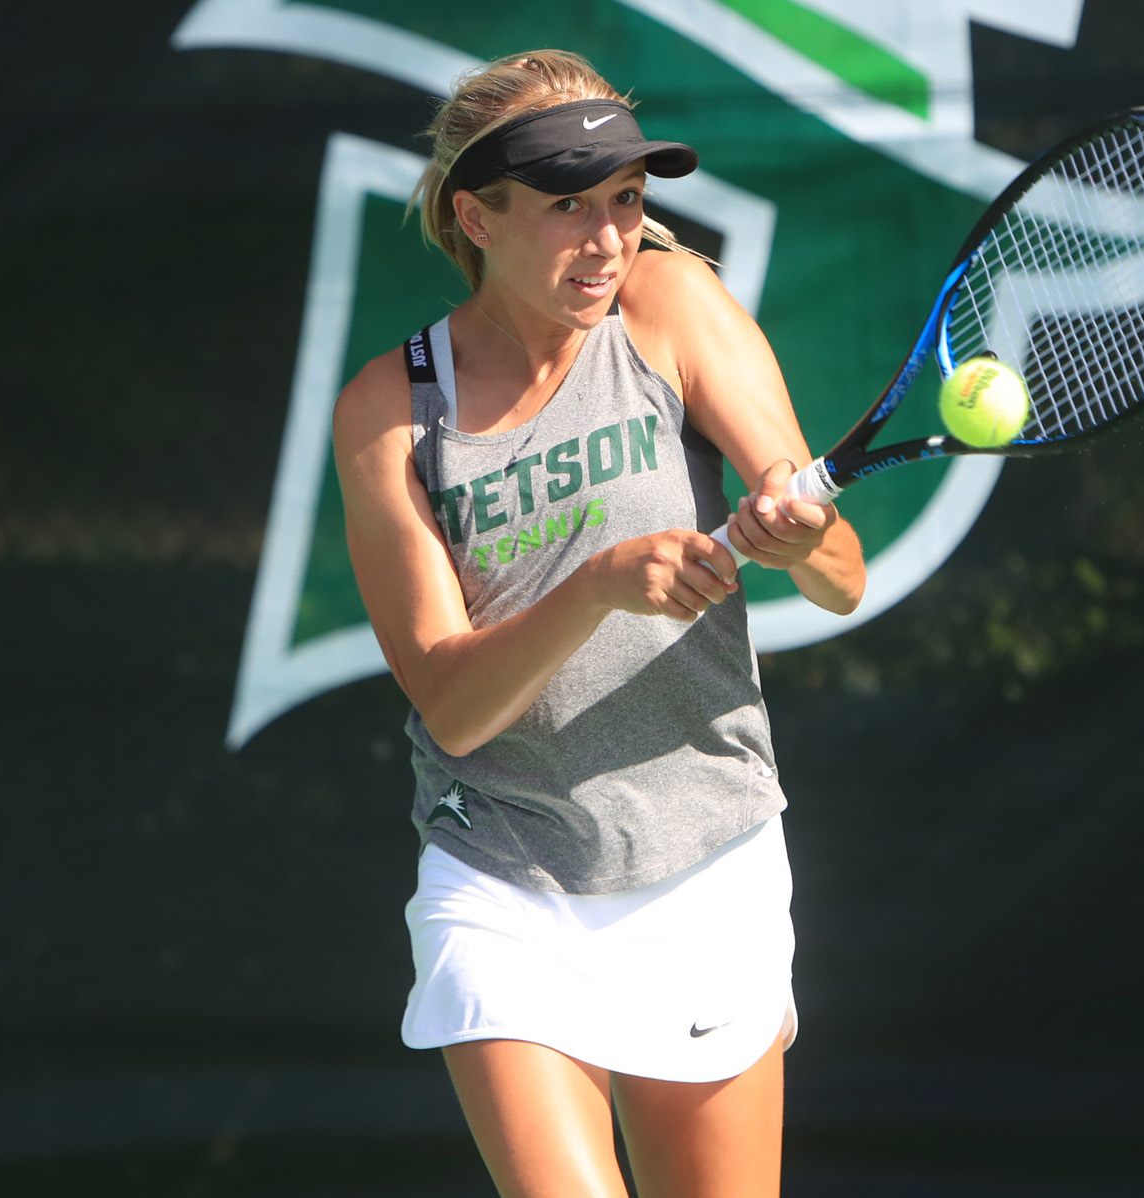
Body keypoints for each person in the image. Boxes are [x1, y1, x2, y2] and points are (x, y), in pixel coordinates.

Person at [331, 48, 865, 1197]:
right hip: (506, 867)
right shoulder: (390, 408)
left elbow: (843, 577)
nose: (609, 237)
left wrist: (794, 532)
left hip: (704, 856)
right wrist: (599, 583)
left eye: (626, 200)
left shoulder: (673, 308)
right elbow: (455, 703)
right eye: (568, 205)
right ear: (476, 215)